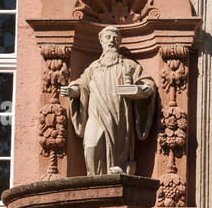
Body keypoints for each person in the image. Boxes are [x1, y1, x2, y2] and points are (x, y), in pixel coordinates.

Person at [59, 26, 157, 175]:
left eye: (115, 38)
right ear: (101, 40)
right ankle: (94, 178)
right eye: (108, 37)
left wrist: (145, 89)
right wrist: (73, 90)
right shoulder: (94, 67)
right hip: (96, 114)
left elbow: (146, 82)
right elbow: (82, 84)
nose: (111, 40)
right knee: (91, 146)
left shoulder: (129, 65)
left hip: (119, 114)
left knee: (118, 145)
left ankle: (120, 171)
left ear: (119, 42)